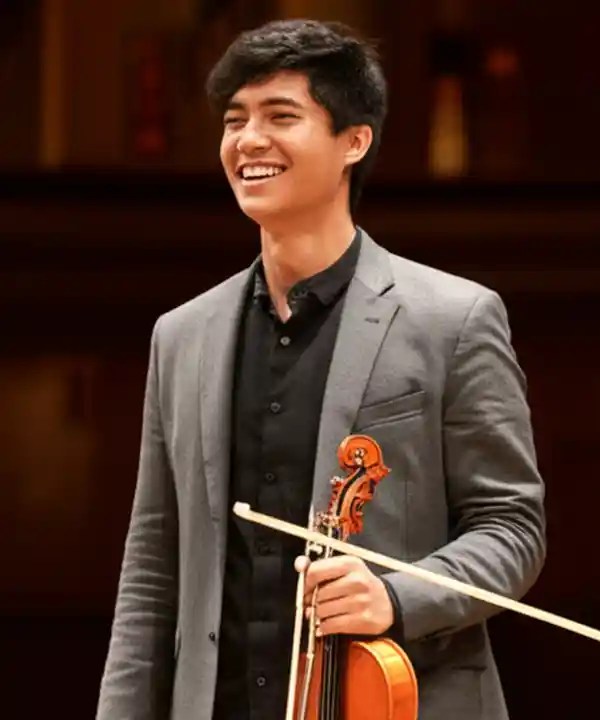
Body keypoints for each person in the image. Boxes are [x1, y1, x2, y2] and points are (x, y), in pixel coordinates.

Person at [96, 19, 546, 720]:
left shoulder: (452, 319)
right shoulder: (180, 336)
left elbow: (511, 527)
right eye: (234, 119)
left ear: (354, 141)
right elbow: (152, 570)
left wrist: (397, 596)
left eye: (281, 116)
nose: (248, 140)